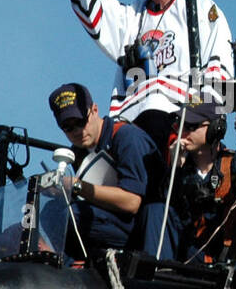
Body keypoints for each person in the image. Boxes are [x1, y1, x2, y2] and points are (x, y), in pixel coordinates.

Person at [60, 0, 235, 153]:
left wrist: (200, 124)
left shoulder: (202, 9)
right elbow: (89, 10)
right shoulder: (132, 15)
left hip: (179, 125)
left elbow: (223, 77)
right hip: (130, 129)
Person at [47, 82, 163, 260]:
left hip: (144, 229)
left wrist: (77, 186)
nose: (78, 131)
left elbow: (132, 202)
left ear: (94, 110)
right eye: (68, 127)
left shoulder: (126, 137)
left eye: (80, 121)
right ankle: (76, 265)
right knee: (49, 211)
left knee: (70, 216)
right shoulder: (78, 152)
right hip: (110, 221)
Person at [169, 100, 236, 266]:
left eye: (191, 126)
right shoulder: (179, 171)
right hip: (194, 261)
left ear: (215, 128)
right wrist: (174, 172)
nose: (182, 132)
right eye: (179, 125)